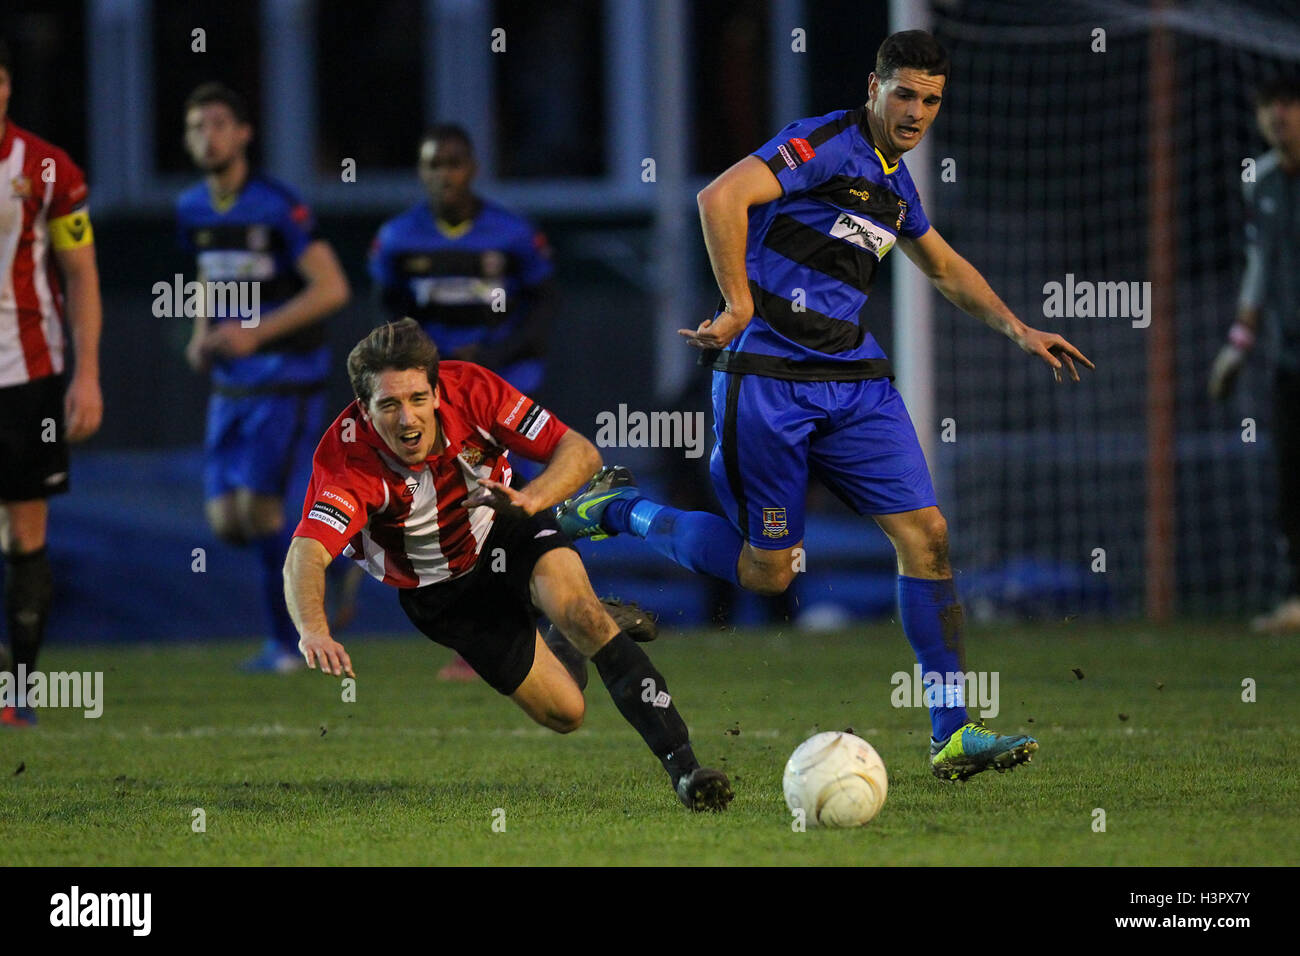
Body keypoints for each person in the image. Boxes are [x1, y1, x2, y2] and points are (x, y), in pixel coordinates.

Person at [560, 30, 1094, 782]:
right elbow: (721, 196)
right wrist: (739, 301)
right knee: (768, 574)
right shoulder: (823, 143)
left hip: (852, 380)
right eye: (904, 93)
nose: (915, 112)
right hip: (768, 378)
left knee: (929, 536)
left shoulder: (896, 184)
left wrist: (1018, 327)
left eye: (931, 100)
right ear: (874, 89)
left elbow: (940, 265)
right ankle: (620, 511)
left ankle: (952, 732)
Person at [283, 319, 732, 811]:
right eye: (388, 405)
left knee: (583, 614)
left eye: (416, 398)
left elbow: (579, 451)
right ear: (365, 412)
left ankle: (687, 772)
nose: (407, 419)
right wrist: (314, 630)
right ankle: (568, 634)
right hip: (443, 594)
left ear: (437, 391)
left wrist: (531, 500)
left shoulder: (474, 391)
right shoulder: (349, 464)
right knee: (566, 713)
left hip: (505, 523)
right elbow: (307, 552)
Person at [368, 123, 557, 681]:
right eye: (432, 164)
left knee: (512, 508)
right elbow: (388, 322)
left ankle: (549, 617)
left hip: (502, 391)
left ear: (472, 167)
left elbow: (544, 309)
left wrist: (497, 354)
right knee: (451, 513)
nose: (443, 175)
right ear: (420, 172)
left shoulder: (513, 233)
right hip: (433, 405)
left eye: (453, 163)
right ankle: (491, 638)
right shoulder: (399, 239)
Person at [176, 83, 350, 672]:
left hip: (286, 375)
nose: (209, 135)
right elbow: (207, 272)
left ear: (245, 133)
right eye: (197, 126)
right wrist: (201, 333)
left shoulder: (278, 204)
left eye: (220, 123)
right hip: (232, 382)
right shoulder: (192, 207)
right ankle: (341, 557)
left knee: (265, 512)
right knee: (227, 521)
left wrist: (258, 332)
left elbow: (332, 288)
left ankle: (289, 646)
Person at [0, 39, 104, 726]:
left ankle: (20, 694)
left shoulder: (46, 168)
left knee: (25, 535)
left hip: (26, 373)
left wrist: (86, 374)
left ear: (7, 85)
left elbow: (81, 274)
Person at [1209, 72, 1300, 634]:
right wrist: (1236, 347)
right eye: (1269, 106)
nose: (1278, 116)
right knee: (1291, 476)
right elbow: (1258, 270)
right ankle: (1296, 597)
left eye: (1288, 104)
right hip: (1290, 357)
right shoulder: (1261, 182)